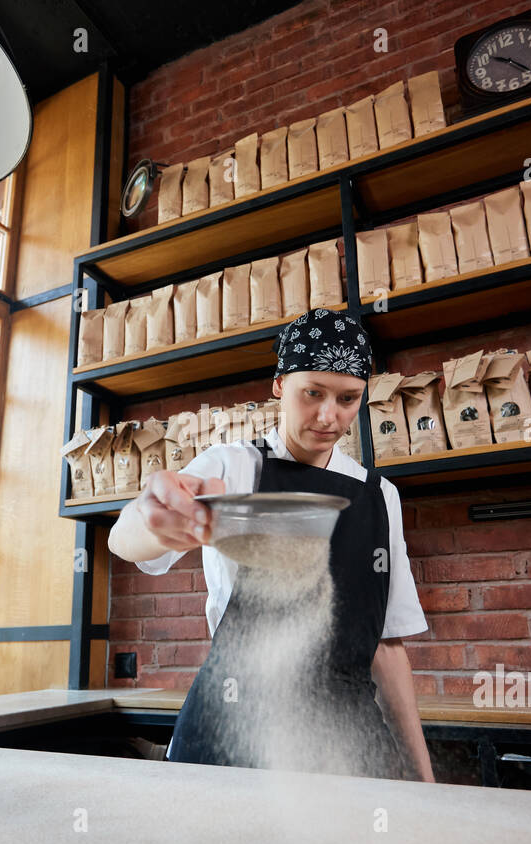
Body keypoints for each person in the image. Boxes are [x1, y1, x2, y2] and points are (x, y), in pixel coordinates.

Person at [108, 308, 434, 783]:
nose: (329, 416)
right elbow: (125, 541)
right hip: (232, 728)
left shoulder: (379, 496)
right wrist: (152, 516)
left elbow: (387, 646)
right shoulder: (234, 468)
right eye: (313, 393)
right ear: (280, 384)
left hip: (345, 741)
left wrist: (423, 778)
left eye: (348, 399)